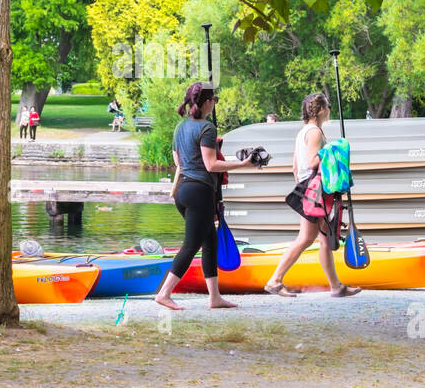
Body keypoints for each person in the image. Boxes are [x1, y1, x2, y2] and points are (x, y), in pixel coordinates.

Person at [154, 82, 255, 310]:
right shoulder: (207, 128)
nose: (214, 104)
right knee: (191, 245)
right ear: (207, 102)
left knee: (210, 241)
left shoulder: (180, 127)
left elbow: (178, 161)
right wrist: (243, 163)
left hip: (183, 191)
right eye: (214, 100)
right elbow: (211, 165)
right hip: (199, 192)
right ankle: (164, 293)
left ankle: (214, 297)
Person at [262, 93, 362, 299]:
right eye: (328, 106)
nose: (330, 110)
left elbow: (295, 166)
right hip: (314, 190)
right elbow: (312, 161)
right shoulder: (315, 132)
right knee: (306, 238)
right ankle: (275, 280)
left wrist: (301, 186)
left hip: (308, 187)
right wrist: (334, 148)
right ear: (320, 110)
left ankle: (336, 287)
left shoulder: (302, 133)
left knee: (325, 238)